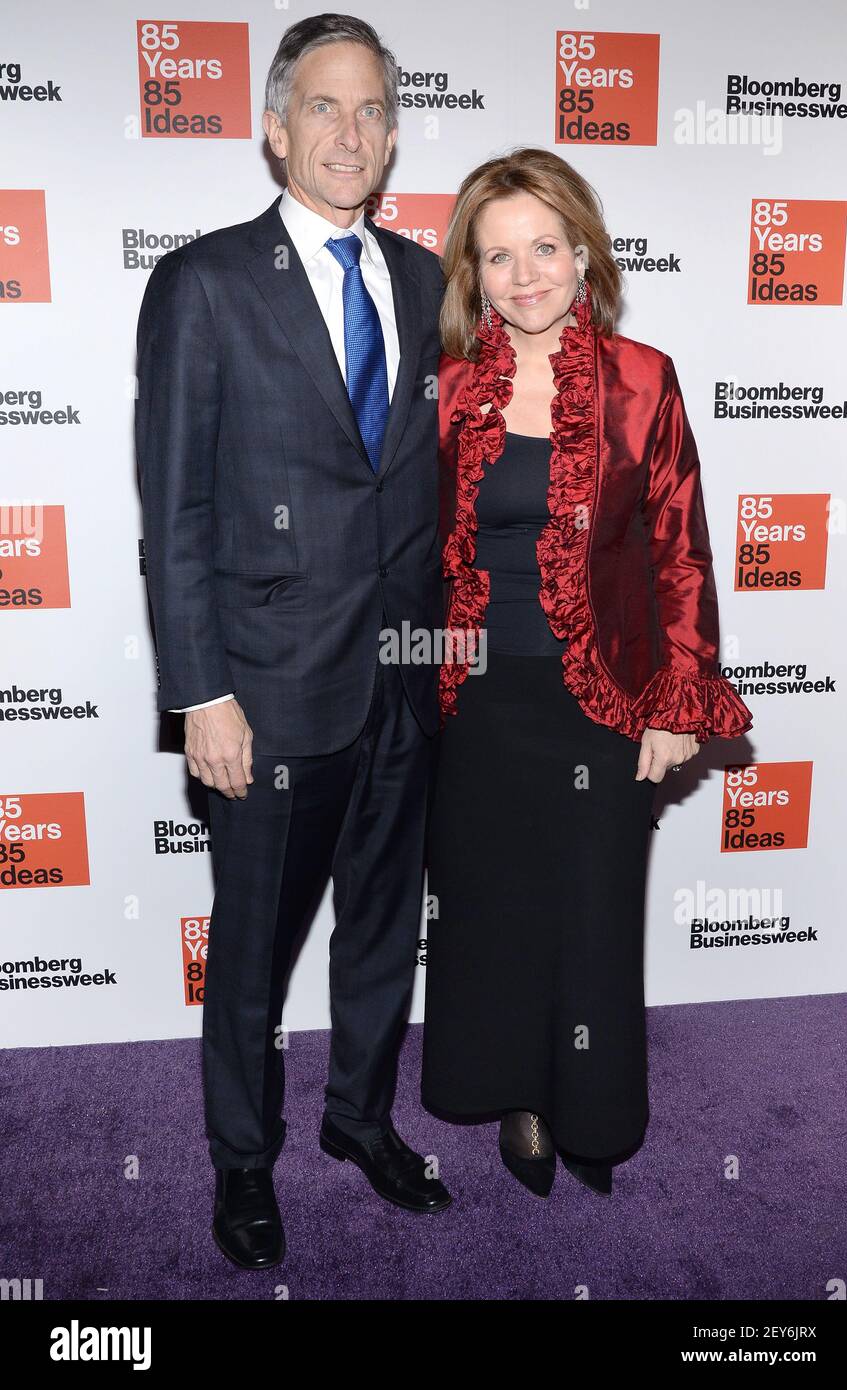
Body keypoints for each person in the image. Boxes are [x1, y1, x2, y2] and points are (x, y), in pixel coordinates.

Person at [135, 14, 451, 1271]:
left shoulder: (427, 283)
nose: (350, 132)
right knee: (253, 951)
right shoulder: (203, 282)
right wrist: (199, 691)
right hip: (263, 695)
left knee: (382, 926)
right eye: (324, 107)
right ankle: (243, 1162)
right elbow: (177, 512)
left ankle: (361, 1120)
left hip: (404, 684)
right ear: (275, 128)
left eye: (372, 109)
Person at [421, 148, 753, 1199]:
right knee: (492, 909)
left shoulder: (642, 380)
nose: (524, 275)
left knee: (594, 908)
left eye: (544, 248)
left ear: (582, 254)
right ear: (472, 273)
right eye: (498, 256)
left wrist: (676, 698)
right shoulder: (445, 390)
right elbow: (408, 556)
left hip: (600, 700)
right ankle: (518, 1100)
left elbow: (679, 551)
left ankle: (590, 1109)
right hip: (474, 701)